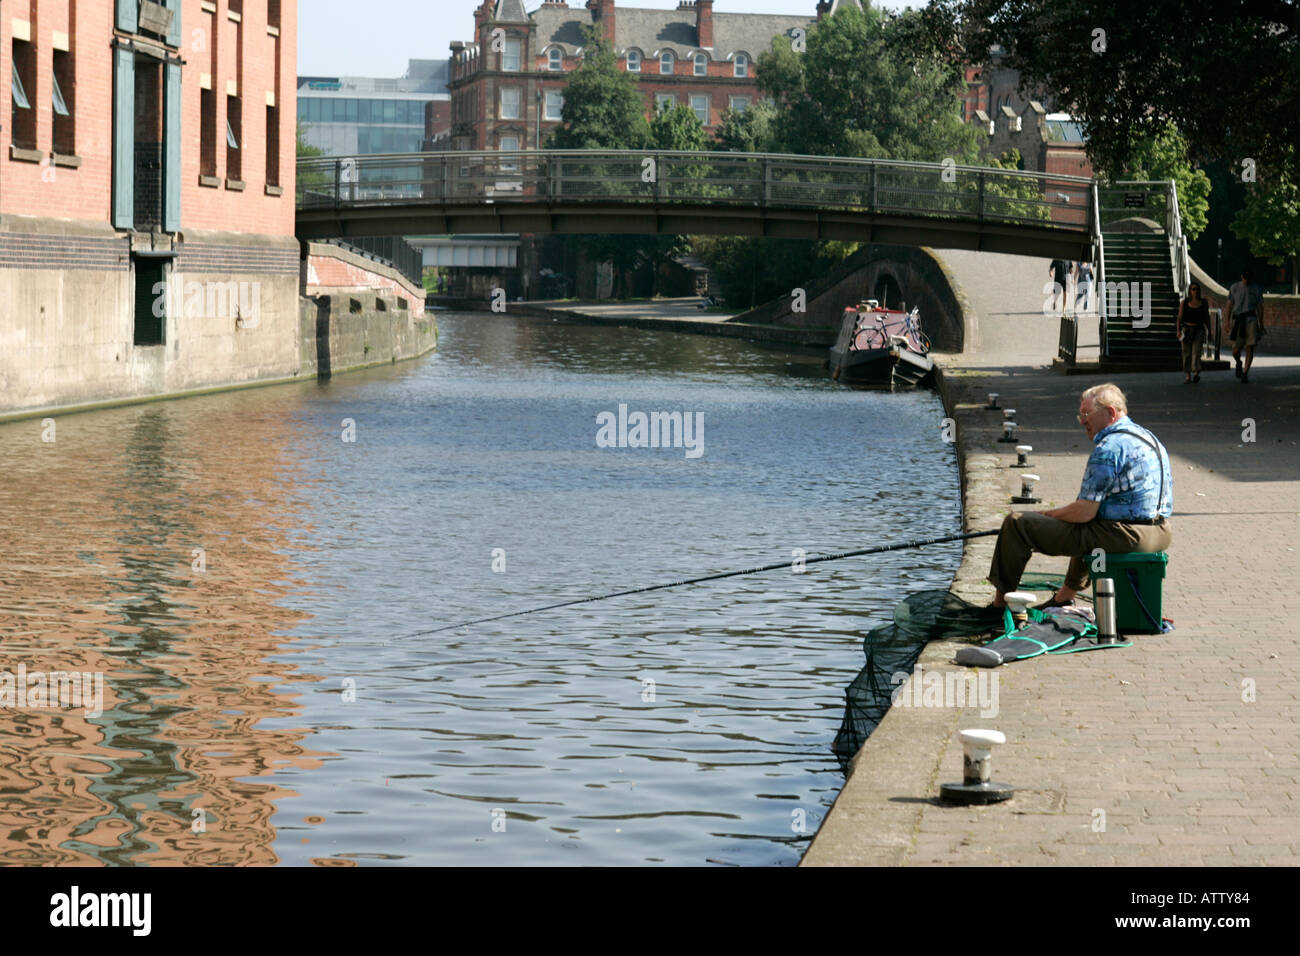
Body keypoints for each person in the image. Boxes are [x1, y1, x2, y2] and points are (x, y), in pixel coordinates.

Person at [989, 383, 1172, 610]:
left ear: (1111, 413)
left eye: (1087, 414)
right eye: (1080, 414)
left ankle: (998, 607)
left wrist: (1047, 514)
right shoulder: (1149, 437)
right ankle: (1064, 597)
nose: (1082, 421)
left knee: (1016, 523)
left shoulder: (1109, 448)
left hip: (1127, 536)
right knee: (1093, 529)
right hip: (1160, 532)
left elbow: (1083, 512)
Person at [1226, 268, 1264, 383]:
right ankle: (1238, 362)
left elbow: (1260, 307)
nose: (1247, 281)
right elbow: (1229, 305)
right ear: (1242, 277)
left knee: (1250, 346)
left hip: (1251, 319)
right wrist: (1227, 322)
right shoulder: (1234, 287)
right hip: (1238, 320)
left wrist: (1261, 323)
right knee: (1235, 349)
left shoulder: (1256, 288)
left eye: (1249, 278)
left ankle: (1245, 372)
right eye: (1245, 278)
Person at [1177, 281, 1210, 384]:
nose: (1195, 291)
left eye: (1197, 289)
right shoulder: (1185, 302)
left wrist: (1209, 330)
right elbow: (1179, 318)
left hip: (1199, 329)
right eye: (1193, 289)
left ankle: (1196, 372)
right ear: (1190, 291)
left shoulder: (1203, 303)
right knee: (1186, 353)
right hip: (1186, 330)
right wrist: (1178, 330)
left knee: (1196, 352)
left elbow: (1206, 317)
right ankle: (1188, 376)